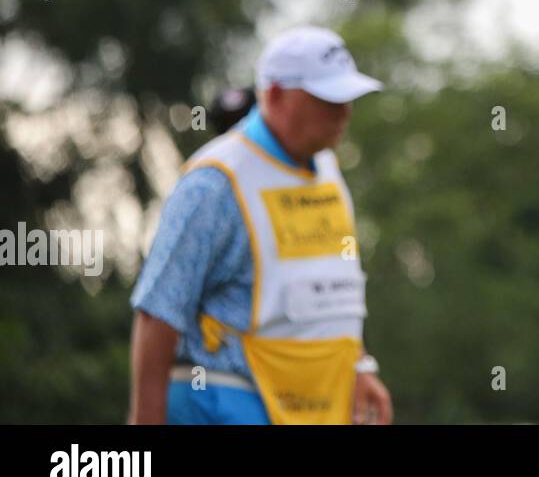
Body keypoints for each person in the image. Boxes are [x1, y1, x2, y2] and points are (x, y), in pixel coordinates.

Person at [129, 26, 392, 425]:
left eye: (347, 99)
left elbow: (331, 294)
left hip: (311, 404)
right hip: (223, 402)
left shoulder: (326, 169)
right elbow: (159, 311)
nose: (344, 113)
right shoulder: (213, 183)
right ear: (274, 94)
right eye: (327, 100)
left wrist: (359, 368)